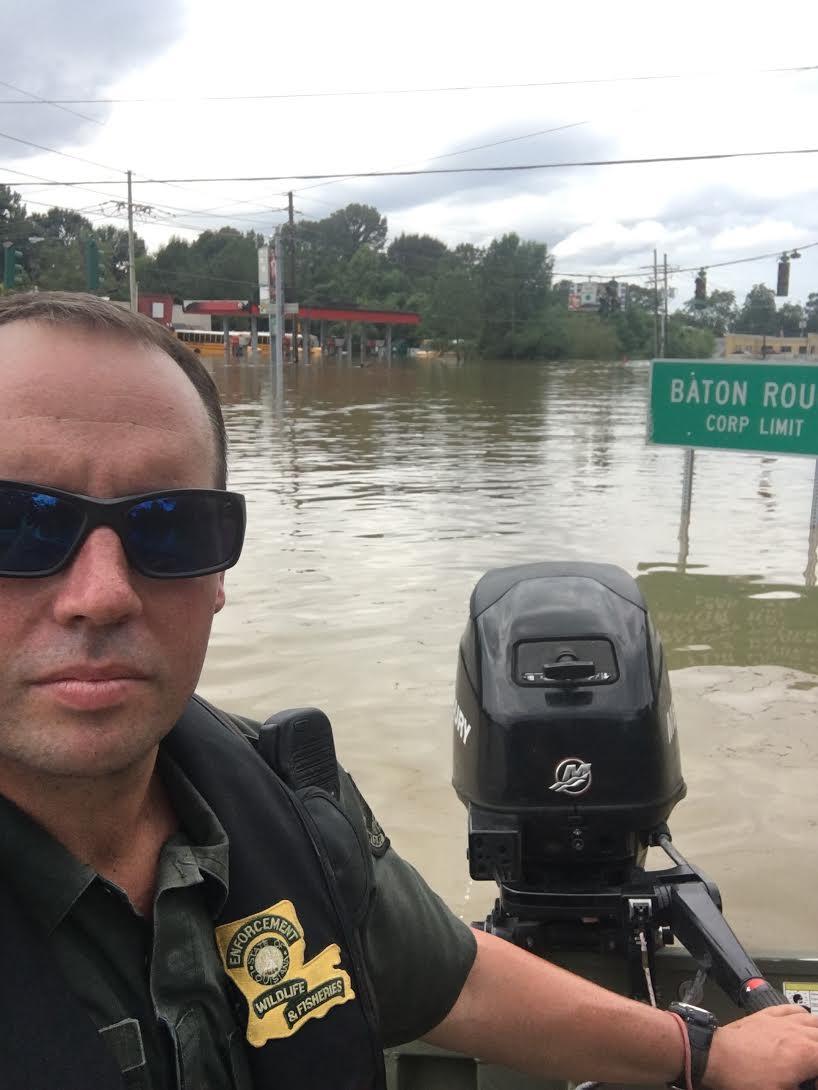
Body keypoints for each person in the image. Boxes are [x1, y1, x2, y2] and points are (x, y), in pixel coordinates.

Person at [0, 290, 815, 1090]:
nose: (101, 593)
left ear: (218, 574)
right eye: (17, 525)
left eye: (168, 526)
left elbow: (456, 982)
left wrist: (705, 1054)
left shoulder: (290, 810)